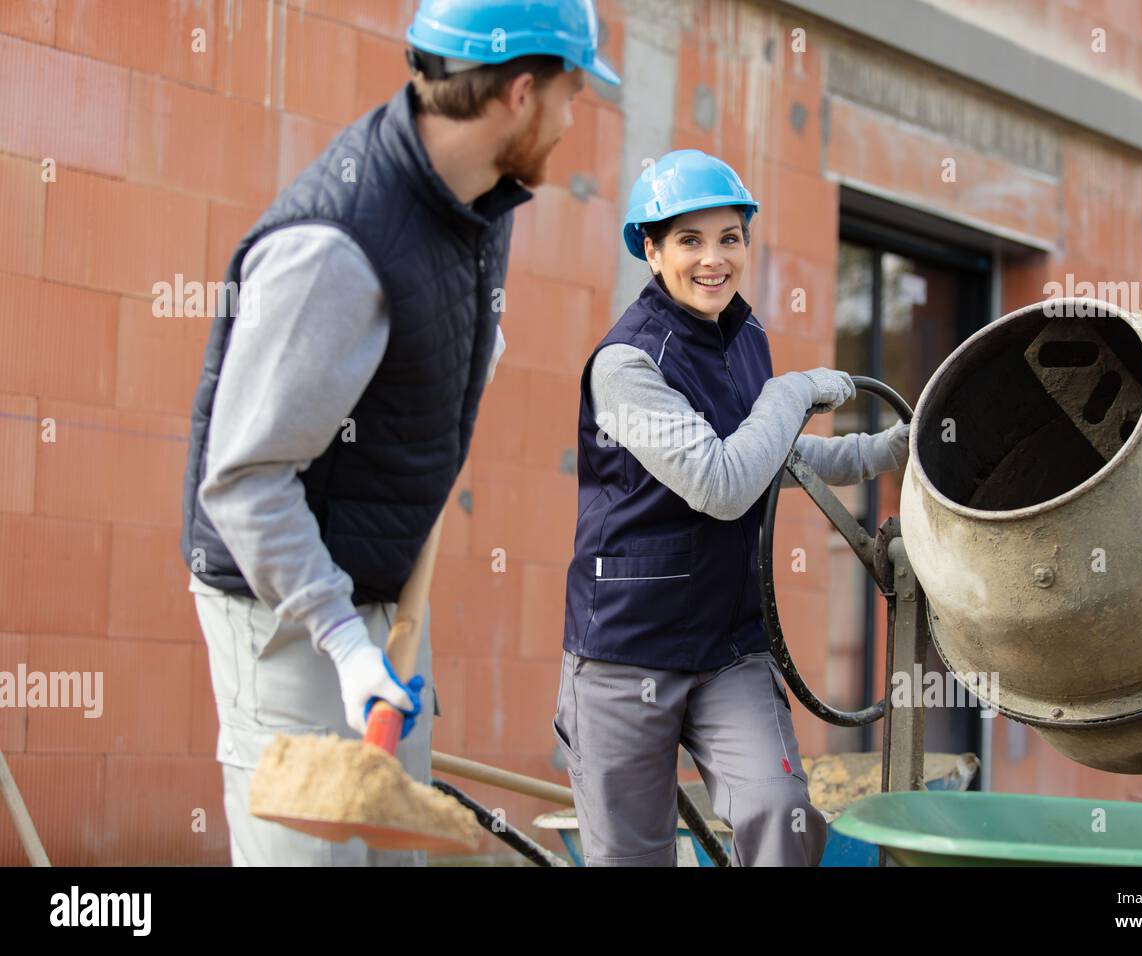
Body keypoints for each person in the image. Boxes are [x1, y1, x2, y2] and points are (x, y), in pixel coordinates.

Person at [180, 0, 619, 866]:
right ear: (521, 94)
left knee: (395, 851)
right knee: (317, 858)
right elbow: (243, 481)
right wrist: (343, 645)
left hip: (380, 596)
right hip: (289, 612)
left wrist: (456, 356)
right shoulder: (333, 250)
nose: (574, 122)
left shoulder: (475, 197)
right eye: (572, 95)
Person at [552, 149, 909, 866]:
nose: (712, 259)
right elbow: (721, 485)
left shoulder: (746, 342)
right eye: (688, 240)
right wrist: (793, 392)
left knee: (785, 817)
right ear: (651, 252)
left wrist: (898, 446)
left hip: (729, 649)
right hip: (625, 653)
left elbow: (773, 457)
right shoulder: (627, 367)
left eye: (729, 238)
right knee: (634, 857)